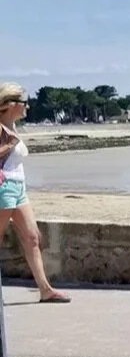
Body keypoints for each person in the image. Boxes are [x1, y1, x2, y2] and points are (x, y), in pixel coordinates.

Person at [0, 83, 70, 303]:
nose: (27, 106)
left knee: (32, 238)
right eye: (24, 102)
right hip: (4, 189)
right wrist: (7, 145)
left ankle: (45, 290)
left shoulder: (11, 126)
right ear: (11, 104)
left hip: (18, 188)